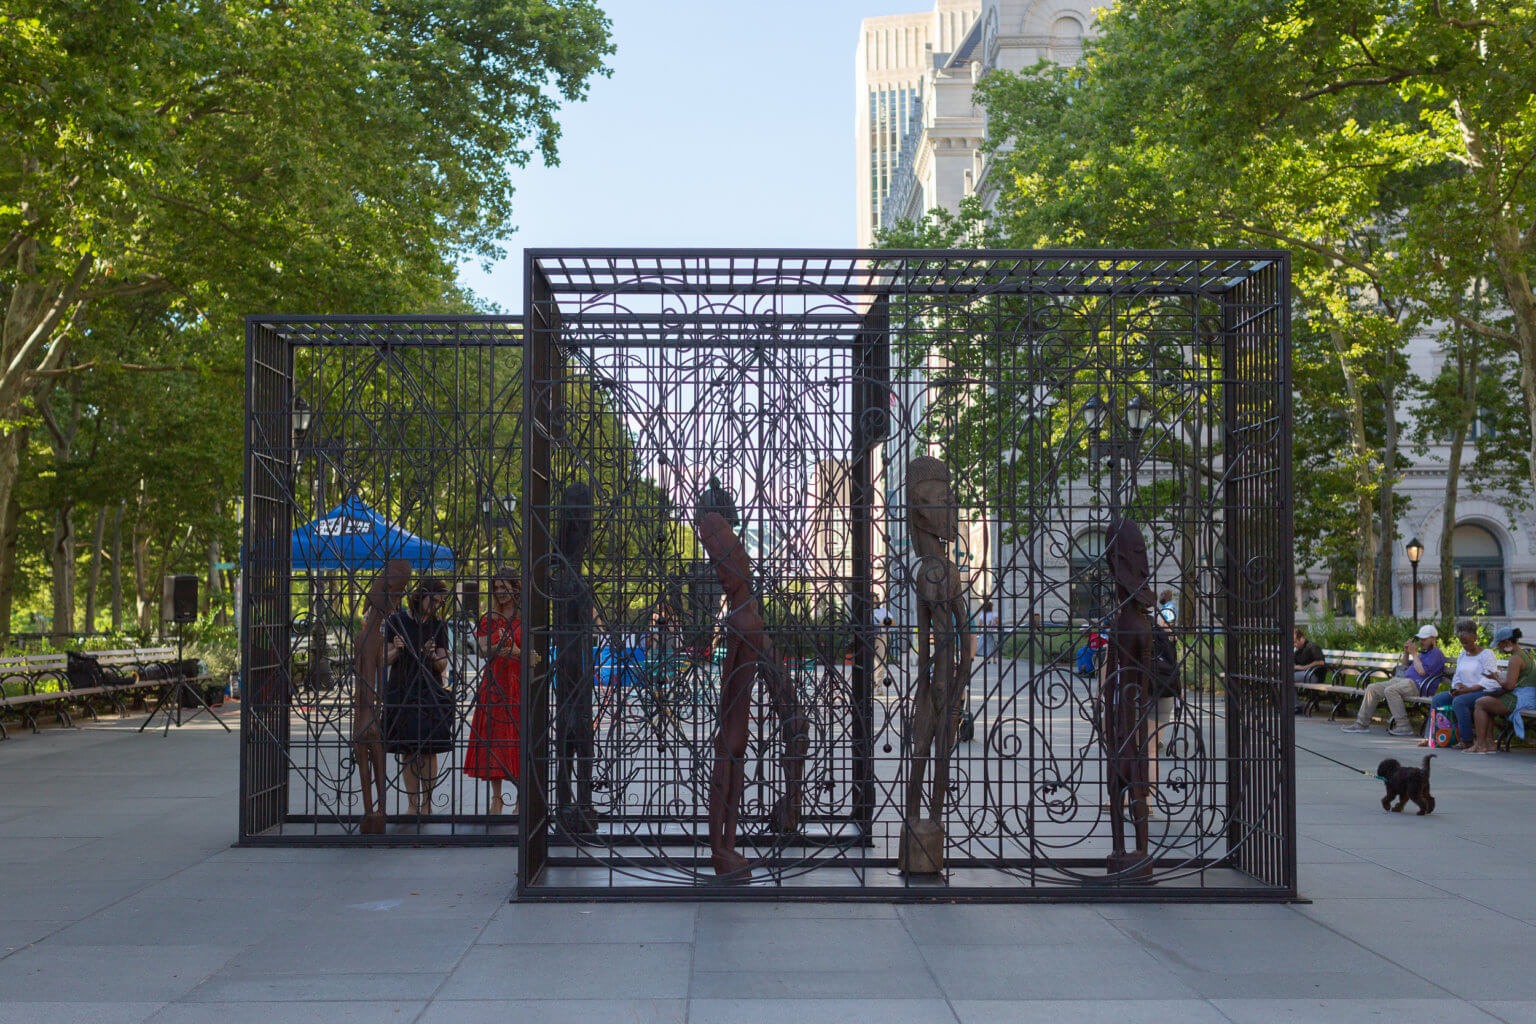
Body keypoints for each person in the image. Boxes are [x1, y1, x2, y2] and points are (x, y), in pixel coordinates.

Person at [384, 576, 453, 816]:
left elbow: (443, 665)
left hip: (429, 690)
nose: (437, 605)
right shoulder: (397, 621)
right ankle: (412, 804)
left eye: (441, 602)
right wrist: (397, 649)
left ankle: (427, 803)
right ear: (421, 595)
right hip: (401, 689)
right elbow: (384, 659)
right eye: (434, 600)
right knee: (407, 750)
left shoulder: (438, 625)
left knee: (429, 749)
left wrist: (433, 656)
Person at [465, 570, 524, 815]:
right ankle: (496, 799)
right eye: (496, 588)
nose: (500, 592)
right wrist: (496, 644)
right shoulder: (489, 618)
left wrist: (513, 650)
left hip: (518, 681)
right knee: (493, 739)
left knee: (518, 738)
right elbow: (481, 650)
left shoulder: (527, 617)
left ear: (516, 588)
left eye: (504, 587)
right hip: (494, 683)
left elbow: (529, 650)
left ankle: (522, 798)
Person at [1342, 624, 1445, 736]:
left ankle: (1404, 726)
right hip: (1403, 681)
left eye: (1424, 639)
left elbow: (1421, 672)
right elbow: (1404, 666)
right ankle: (1361, 724)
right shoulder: (1422, 654)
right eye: (1420, 639)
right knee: (1372, 688)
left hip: (1418, 685)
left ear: (1433, 639)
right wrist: (1406, 653)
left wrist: (1414, 654)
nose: (1421, 641)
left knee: (1390, 690)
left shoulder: (1436, 653)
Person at [1421, 619, 1497, 751]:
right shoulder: (1463, 655)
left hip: (1481, 691)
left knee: (1459, 701)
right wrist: (1458, 686)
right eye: (1462, 642)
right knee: (1438, 699)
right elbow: (1457, 676)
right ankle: (1431, 736)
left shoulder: (1486, 654)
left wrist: (1468, 690)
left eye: (1467, 642)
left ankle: (1466, 740)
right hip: (1464, 690)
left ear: (1475, 637)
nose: (1464, 645)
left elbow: (1488, 680)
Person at [1468, 627, 1536, 753]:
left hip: (1520, 699)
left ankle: (1481, 745)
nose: (1498, 649)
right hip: (1527, 697)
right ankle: (1489, 743)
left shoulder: (1515, 659)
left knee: (1480, 703)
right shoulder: (1525, 654)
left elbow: (1510, 686)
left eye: (1499, 645)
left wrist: (1495, 677)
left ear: (1507, 643)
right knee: (1487, 702)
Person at [1293, 627, 1325, 713]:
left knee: (1288, 678)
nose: (1294, 645)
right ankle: (1293, 704)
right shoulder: (1298, 651)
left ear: (1302, 638)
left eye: (1295, 642)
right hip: (1303, 675)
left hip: (1314, 676)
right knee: (1283, 676)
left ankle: (1296, 706)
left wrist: (1304, 667)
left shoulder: (1313, 647)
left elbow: (1321, 662)